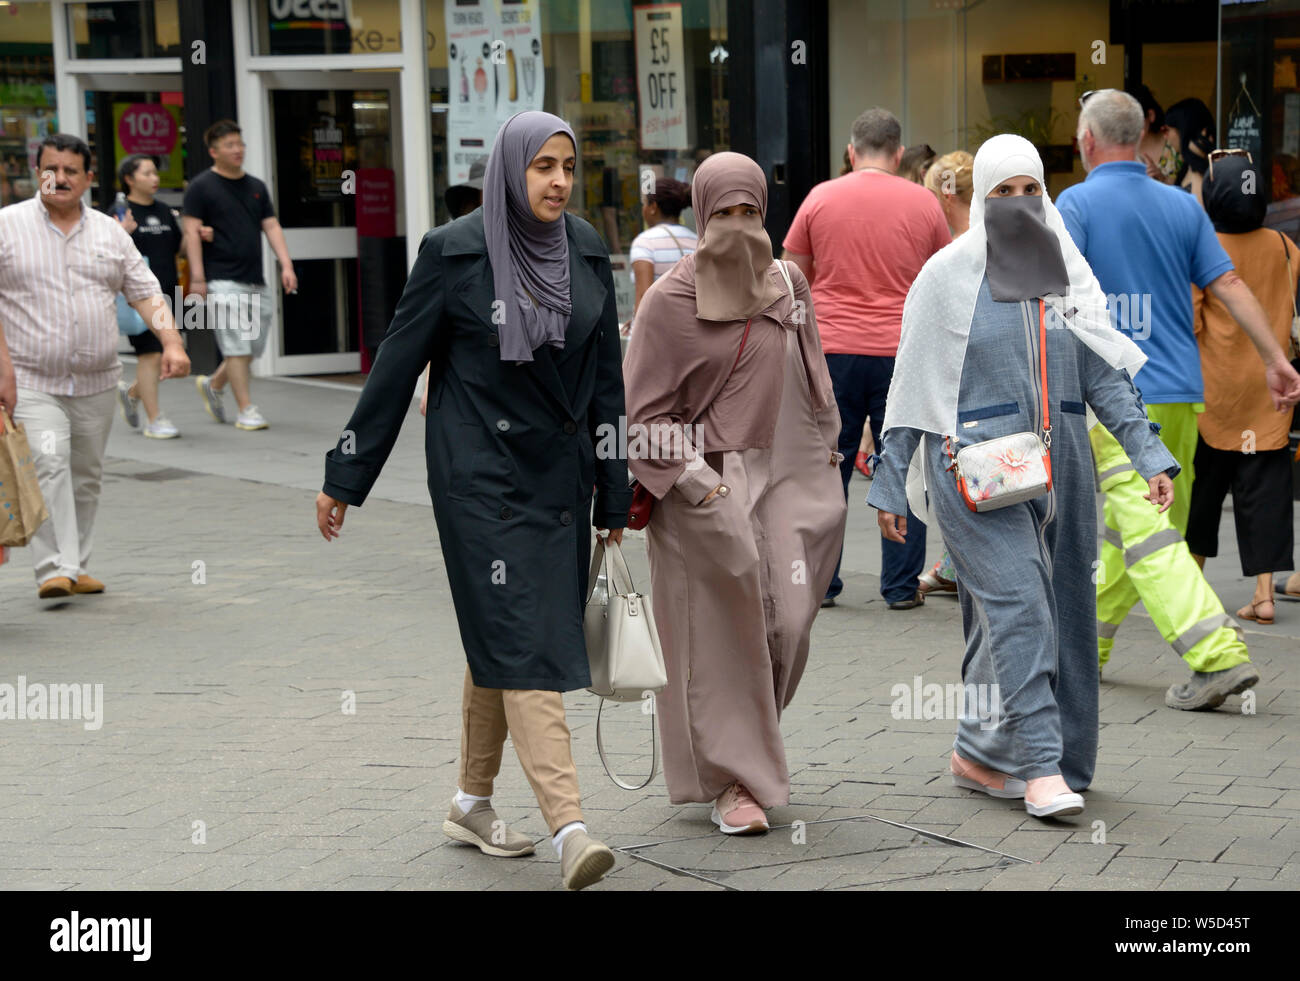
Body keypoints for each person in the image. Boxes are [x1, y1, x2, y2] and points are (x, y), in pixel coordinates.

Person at [315, 111, 629, 891]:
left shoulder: (585, 247)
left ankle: (470, 800)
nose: (557, 181)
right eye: (541, 167)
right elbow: (396, 365)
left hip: (559, 481)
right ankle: (572, 829)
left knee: (502, 635)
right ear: (508, 171)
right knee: (525, 641)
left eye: (567, 165)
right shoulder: (454, 251)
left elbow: (608, 385)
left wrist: (615, 492)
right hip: (480, 479)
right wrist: (344, 474)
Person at [869, 134, 1176, 817]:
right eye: (1001, 191)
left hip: (1062, 466)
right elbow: (912, 385)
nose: (1016, 204)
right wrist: (891, 481)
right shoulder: (946, 276)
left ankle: (983, 751)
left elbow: (1106, 372)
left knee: (1055, 611)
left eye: (1029, 189)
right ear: (979, 196)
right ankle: (1039, 768)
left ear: (1046, 193)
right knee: (1022, 609)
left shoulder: (1064, 270)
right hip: (973, 470)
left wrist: (1148, 452)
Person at [623, 151, 846, 834]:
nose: (739, 226)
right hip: (702, 484)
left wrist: (832, 451)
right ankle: (730, 781)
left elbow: (813, 376)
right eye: (723, 213)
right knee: (720, 638)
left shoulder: (789, 282)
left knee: (788, 622)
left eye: (750, 212)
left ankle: (746, 744)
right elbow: (642, 418)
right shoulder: (668, 302)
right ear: (700, 213)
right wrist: (703, 484)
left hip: (787, 472)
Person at [1059, 89, 1300, 709]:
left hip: (1112, 397)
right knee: (1136, 530)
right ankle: (1085, 648)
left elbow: (1056, 302)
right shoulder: (1182, 206)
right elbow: (1230, 284)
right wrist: (1275, 359)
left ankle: (1216, 656)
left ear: (1087, 141)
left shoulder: (1075, 204)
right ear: (1142, 137)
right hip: (1178, 394)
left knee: (1145, 531)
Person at [0, 134, 189, 598]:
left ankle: (77, 565)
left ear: (88, 178)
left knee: (87, 474)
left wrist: (171, 341)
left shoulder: (109, 232)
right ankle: (53, 569)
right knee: (49, 462)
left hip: (97, 380)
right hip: (30, 378)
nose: (59, 178)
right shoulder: (7, 226)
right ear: (36, 171)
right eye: (50, 169)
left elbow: (145, 291)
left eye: (69, 171)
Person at [782, 107, 950, 610]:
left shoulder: (819, 197)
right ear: (898, 154)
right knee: (902, 466)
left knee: (827, 467)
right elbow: (941, 282)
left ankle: (821, 585)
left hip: (832, 353)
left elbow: (792, 278)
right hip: (902, 354)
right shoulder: (924, 204)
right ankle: (900, 587)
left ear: (852, 152)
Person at [1187, 151, 1297, 624]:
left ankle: (1193, 589)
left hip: (1214, 393)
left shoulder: (1202, 246)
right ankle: (1264, 594)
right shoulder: (1285, 246)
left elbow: (1191, 320)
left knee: (1203, 494)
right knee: (1265, 493)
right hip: (1271, 393)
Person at [184, 119, 297, 431]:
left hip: (254, 278)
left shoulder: (256, 187)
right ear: (213, 151)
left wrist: (286, 264)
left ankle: (214, 384)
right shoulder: (201, 187)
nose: (237, 150)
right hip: (221, 278)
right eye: (230, 145)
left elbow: (271, 226)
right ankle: (246, 409)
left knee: (253, 346)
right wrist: (198, 277)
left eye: (240, 144)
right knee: (237, 346)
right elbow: (192, 232)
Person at [114, 153, 207, 439]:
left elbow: (176, 249)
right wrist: (121, 233)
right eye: (147, 174)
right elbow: (108, 254)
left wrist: (195, 235)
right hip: (138, 299)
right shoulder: (121, 211)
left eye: (155, 173)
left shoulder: (165, 211)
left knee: (164, 355)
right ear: (129, 179)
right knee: (151, 354)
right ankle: (154, 419)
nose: (154, 179)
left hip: (168, 293)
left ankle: (132, 394)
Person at [917, 149, 976, 595]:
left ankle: (963, 565)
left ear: (944, 194)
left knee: (960, 474)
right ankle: (957, 564)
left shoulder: (957, 252)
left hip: (962, 382)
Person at [623, 177, 696, 334]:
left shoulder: (645, 242)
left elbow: (644, 297)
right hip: (691, 331)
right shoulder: (696, 241)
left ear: (653, 207)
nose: (643, 209)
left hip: (659, 334)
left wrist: (636, 329)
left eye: (644, 203)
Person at [1163, 97, 1216, 203]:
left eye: (1167, 130)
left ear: (1182, 130)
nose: (1165, 137)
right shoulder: (1187, 165)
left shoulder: (1201, 169)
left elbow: (1200, 212)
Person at [1126, 84, 1177, 184]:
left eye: (1133, 120)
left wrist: (1163, 180)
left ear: (1150, 115)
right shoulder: (1121, 151)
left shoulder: (1174, 145)